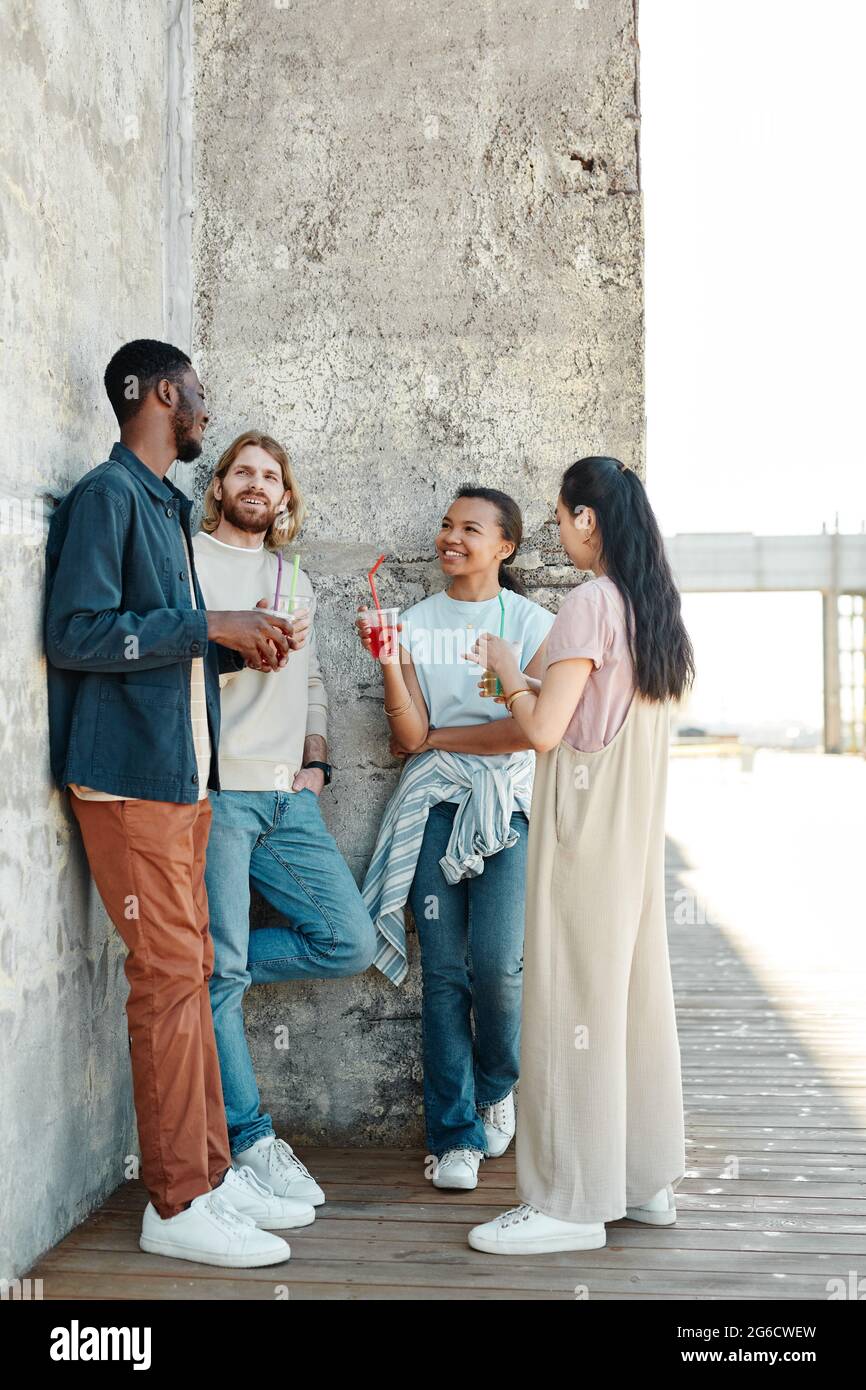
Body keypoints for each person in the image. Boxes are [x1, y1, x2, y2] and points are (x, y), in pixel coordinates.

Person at [44, 340, 317, 1269]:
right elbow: (76, 633)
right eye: (198, 392)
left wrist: (240, 647)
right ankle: (177, 1200)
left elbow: (166, 644)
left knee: (191, 974)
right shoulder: (106, 497)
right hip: (127, 783)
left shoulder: (159, 505)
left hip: (179, 780)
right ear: (166, 392)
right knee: (168, 980)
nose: (205, 407)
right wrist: (211, 624)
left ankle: (211, 1172)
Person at [463, 456, 695, 1254]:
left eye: (561, 518)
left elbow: (543, 730)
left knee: (567, 1012)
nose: (558, 532)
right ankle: (641, 1180)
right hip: (633, 841)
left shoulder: (590, 601)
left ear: (587, 519)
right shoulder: (653, 608)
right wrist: (522, 685)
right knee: (629, 1006)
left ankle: (568, 1203)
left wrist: (502, 667)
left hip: (583, 832)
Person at [193, 431, 377, 1202]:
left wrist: (317, 760)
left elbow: (314, 682)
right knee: (224, 972)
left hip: (287, 800)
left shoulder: (291, 577)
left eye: (271, 476)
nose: (257, 484)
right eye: (243, 471)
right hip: (221, 794)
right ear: (221, 487)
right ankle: (251, 1138)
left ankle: (205, 976)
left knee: (349, 941)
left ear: (286, 496)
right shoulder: (190, 560)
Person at [358, 487, 554, 1191]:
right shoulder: (411, 623)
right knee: (443, 973)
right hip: (434, 805)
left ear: (505, 546)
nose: (451, 537)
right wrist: (387, 659)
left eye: (470, 528)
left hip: (506, 805)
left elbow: (529, 731)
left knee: (499, 964)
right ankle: (453, 1135)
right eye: (445, 524)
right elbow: (407, 738)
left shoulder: (535, 624)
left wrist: (443, 737)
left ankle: (496, 1082)